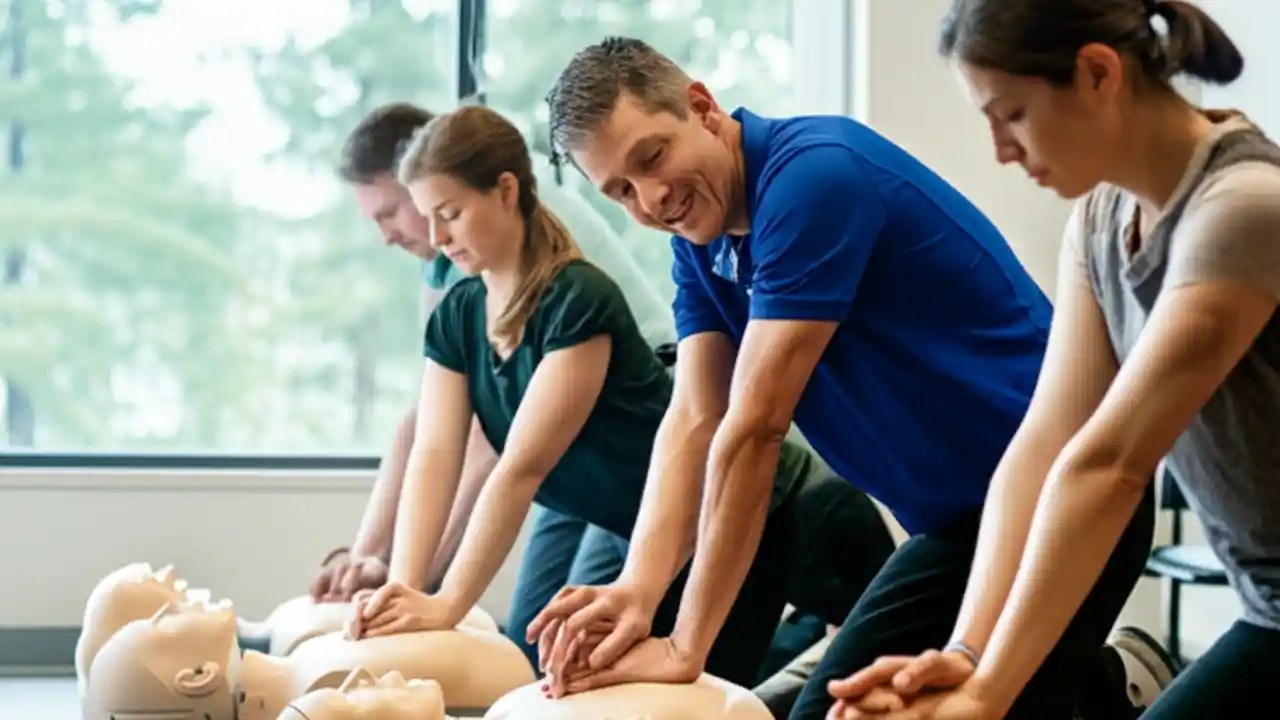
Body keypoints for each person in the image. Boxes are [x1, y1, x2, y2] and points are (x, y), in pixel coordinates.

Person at [532, 36, 1171, 719]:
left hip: (1061, 496)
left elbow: (753, 429)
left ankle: (1103, 682)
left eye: (652, 157)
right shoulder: (702, 246)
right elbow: (694, 417)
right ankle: (1109, 682)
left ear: (702, 107)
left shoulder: (813, 179)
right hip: (957, 527)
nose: (652, 199)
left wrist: (688, 643)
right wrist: (638, 585)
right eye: (621, 191)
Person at [342, 104, 897, 691]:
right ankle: (804, 652)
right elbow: (433, 449)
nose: (435, 237)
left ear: (506, 192)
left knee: (769, 692)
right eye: (429, 217)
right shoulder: (457, 315)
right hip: (663, 530)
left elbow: (519, 469)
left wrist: (448, 601)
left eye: (450, 214)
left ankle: (807, 653)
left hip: (776, 513)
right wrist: (403, 586)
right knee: (588, 674)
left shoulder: (579, 299)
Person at [827, 2, 1280, 719]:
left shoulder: (1244, 208)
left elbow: (1110, 464)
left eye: (1011, 114)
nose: (1000, 149)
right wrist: (966, 655)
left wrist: (985, 696)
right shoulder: (1101, 222)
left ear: (1097, 72)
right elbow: (1045, 442)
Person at [307, 101, 659, 669]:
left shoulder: (538, 253)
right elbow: (430, 432)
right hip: (557, 460)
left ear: (500, 192)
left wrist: (430, 593)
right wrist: (375, 562)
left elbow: (499, 447)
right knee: (528, 639)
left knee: (577, 647)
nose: (406, 234)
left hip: (622, 435)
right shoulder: (457, 274)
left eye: (392, 215)